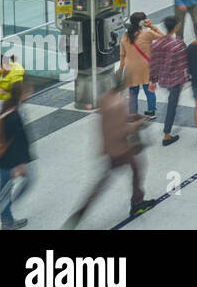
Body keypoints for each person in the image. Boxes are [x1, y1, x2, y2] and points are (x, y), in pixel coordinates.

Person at [63, 80, 153, 227]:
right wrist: (137, 124)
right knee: (137, 168)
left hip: (109, 148)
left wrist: (132, 117)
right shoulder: (117, 104)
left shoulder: (106, 99)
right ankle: (137, 203)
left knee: (103, 182)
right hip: (121, 149)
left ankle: (80, 212)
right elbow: (120, 130)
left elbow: (115, 123)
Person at [0, 83, 32, 229]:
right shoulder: (15, 115)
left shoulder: (9, 106)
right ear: (22, 94)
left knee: (6, 189)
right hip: (8, 161)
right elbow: (17, 141)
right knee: (8, 191)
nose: (30, 93)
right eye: (28, 91)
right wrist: (19, 164)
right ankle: (6, 220)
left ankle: (6, 217)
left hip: (4, 159)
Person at [148, 15, 188, 147]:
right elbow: (184, 62)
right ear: (176, 27)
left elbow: (153, 63)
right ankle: (167, 134)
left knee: (172, 102)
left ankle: (171, 123)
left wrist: (152, 80)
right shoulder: (178, 44)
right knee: (172, 105)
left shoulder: (157, 44)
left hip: (163, 79)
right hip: (176, 79)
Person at [119, 12, 163, 118]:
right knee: (149, 91)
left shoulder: (125, 36)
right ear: (142, 22)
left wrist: (121, 68)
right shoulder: (147, 34)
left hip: (130, 69)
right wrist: (151, 26)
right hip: (145, 68)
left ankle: (133, 113)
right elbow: (162, 37)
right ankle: (151, 111)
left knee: (133, 93)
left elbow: (122, 55)